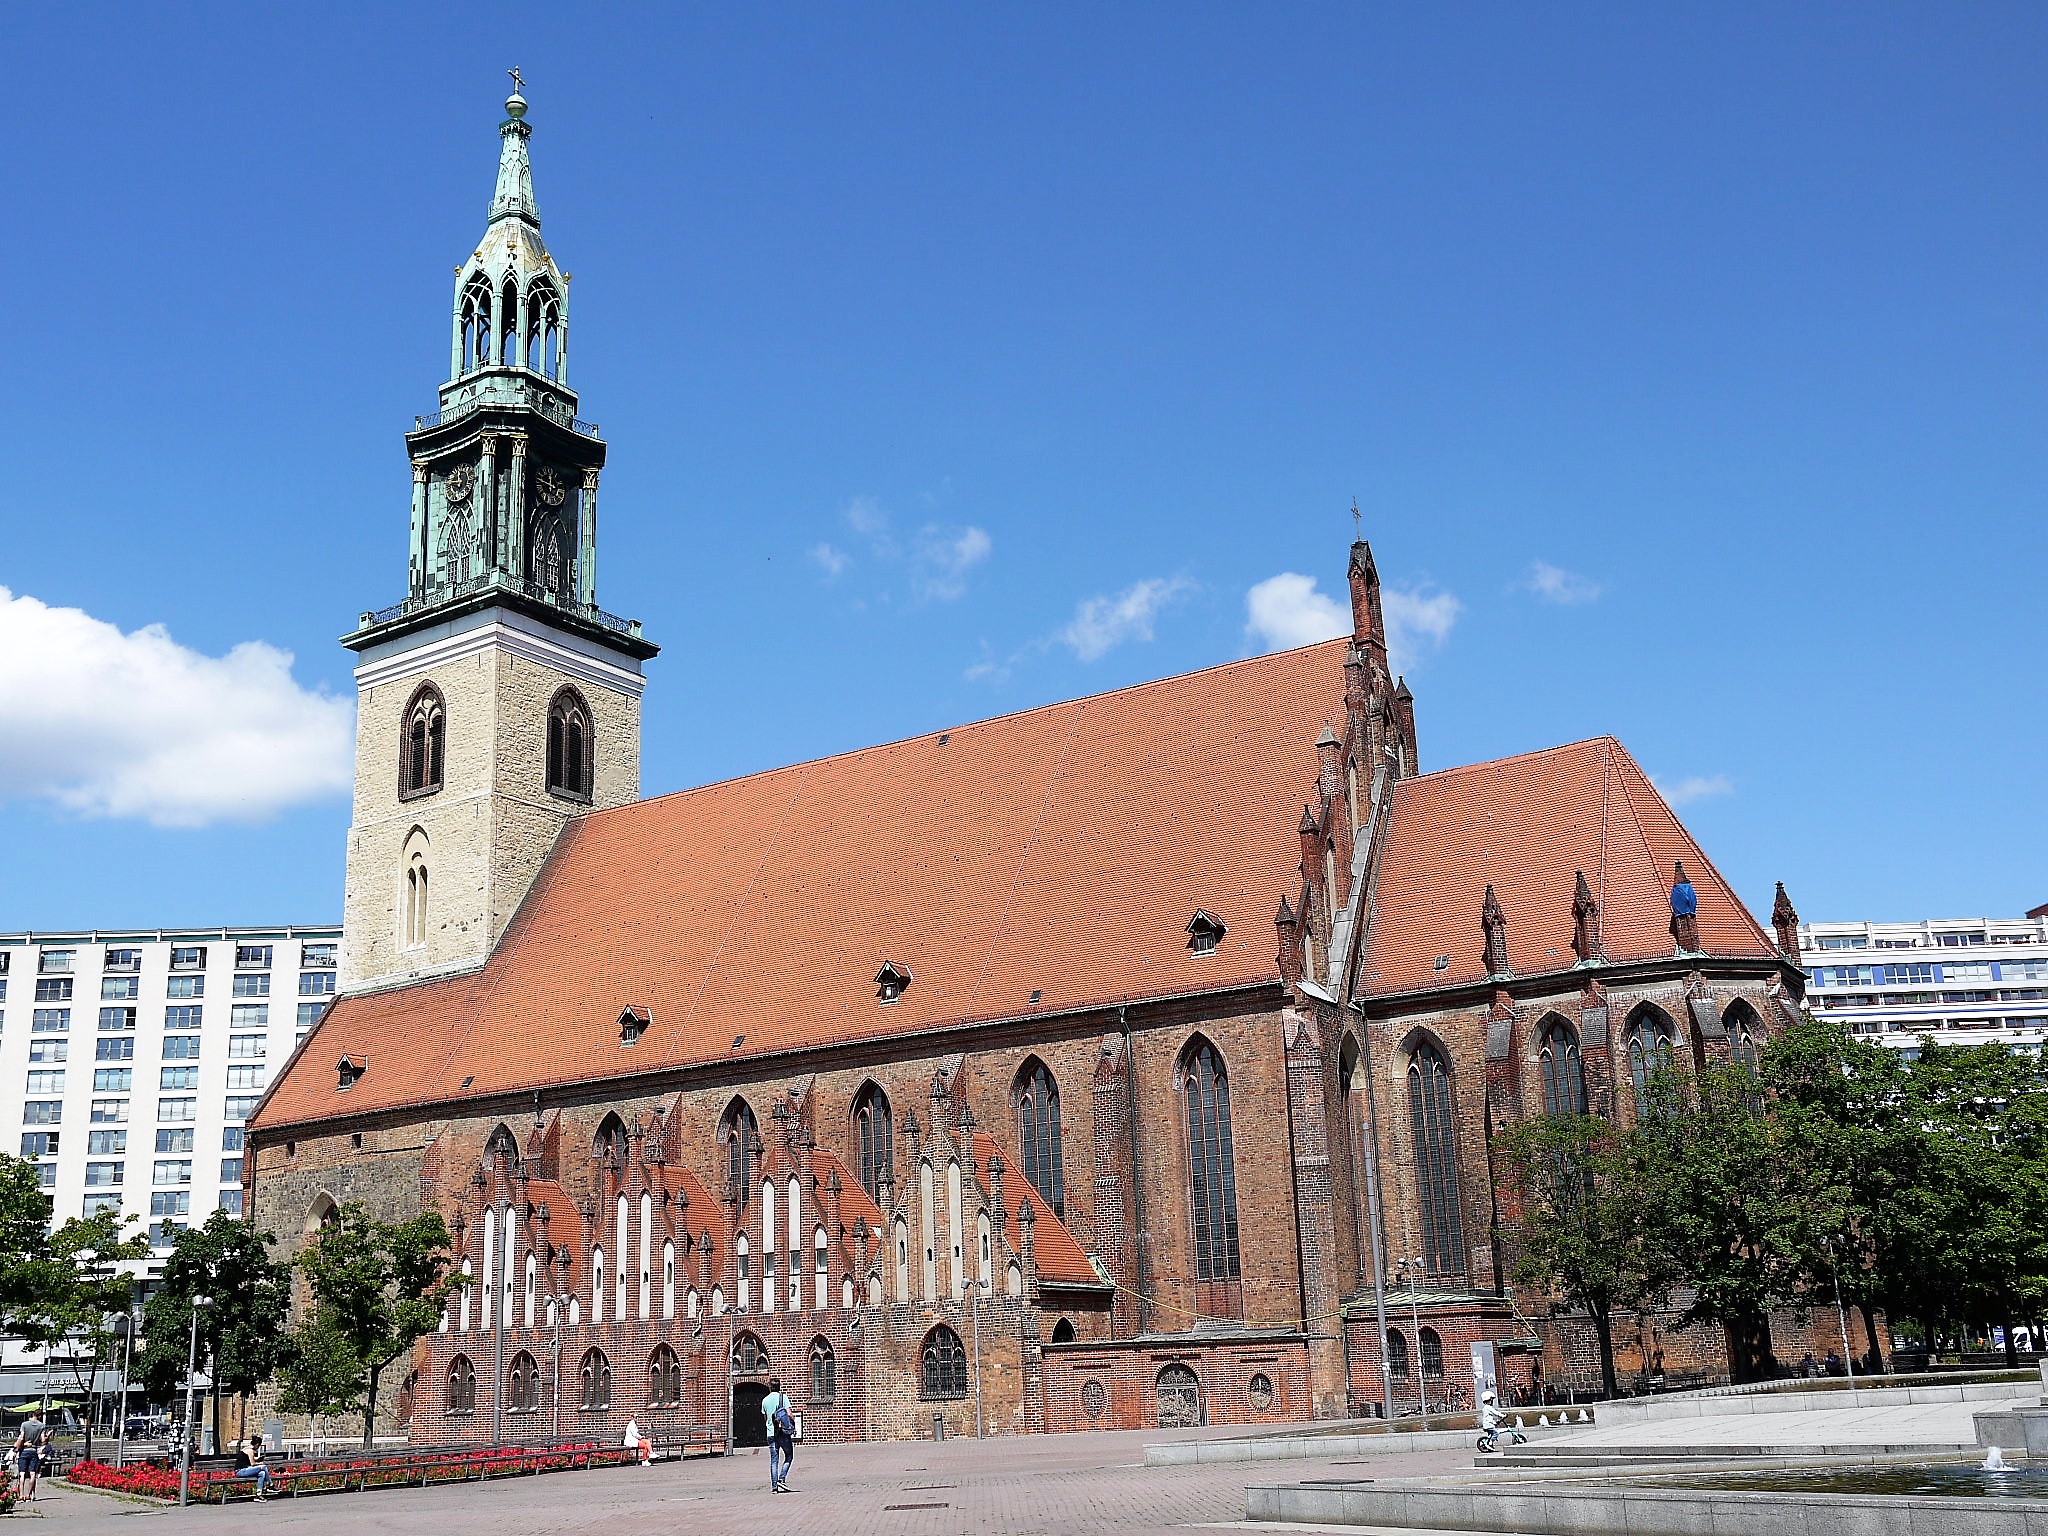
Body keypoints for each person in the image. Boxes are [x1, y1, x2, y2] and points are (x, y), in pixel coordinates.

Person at [762, 1376, 795, 1493]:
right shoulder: (783, 1398)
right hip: (782, 1432)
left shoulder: (765, 1400)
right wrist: (792, 1421)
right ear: (779, 1387)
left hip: (771, 1433)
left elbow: (765, 1418)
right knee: (789, 1456)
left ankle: (774, 1487)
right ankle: (782, 1478)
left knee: (774, 1460)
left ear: (770, 1387)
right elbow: (789, 1414)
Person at [233, 1435, 272, 1501]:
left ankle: (258, 1494)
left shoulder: (246, 1449)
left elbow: (249, 1459)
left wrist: (258, 1459)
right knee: (263, 1467)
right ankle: (270, 1485)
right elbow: (252, 1464)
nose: (258, 1448)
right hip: (240, 1471)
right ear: (257, 1445)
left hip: (245, 1470)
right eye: (259, 1446)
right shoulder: (250, 1451)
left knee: (262, 1473)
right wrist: (261, 1463)